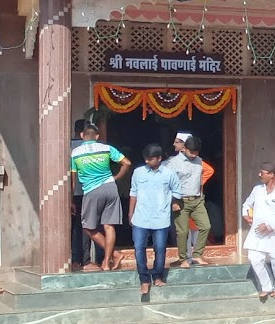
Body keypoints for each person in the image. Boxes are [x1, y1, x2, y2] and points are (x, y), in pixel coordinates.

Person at [71, 121, 131, 272]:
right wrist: (116, 177)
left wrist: (71, 198)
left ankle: (115, 255)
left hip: (92, 190)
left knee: (87, 227)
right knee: (109, 226)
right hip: (110, 188)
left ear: (81, 135)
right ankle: (106, 262)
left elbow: (73, 178)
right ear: (97, 136)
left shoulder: (76, 153)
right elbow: (127, 163)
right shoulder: (107, 148)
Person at [128, 143, 180, 298]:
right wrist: (130, 212)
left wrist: (173, 203)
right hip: (141, 217)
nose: (147, 162)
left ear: (159, 158)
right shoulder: (138, 172)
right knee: (139, 248)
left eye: (150, 159)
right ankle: (144, 278)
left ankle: (158, 276)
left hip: (161, 217)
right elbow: (133, 193)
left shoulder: (169, 174)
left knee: (160, 247)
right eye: (146, 159)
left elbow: (177, 191)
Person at [242, 163, 275, 300]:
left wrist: (271, 226)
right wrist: (246, 214)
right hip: (258, 231)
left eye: (263, 173)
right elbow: (247, 204)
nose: (260, 175)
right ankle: (266, 286)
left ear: (272, 175)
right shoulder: (257, 190)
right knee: (254, 258)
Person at [167, 134, 213, 268]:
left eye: (196, 152)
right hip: (181, 201)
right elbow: (167, 183)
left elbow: (201, 177)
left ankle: (197, 254)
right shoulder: (173, 163)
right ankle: (183, 259)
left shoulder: (199, 160)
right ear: (184, 149)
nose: (193, 155)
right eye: (191, 152)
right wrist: (173, 201)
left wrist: (201, 195)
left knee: (206, 226)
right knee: (182, 232)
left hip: (197, 200)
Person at [70, 120, 97, 271]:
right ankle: (85, 260)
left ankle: (76, 260)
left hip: (76, 193)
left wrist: (70, 197)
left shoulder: (69, 146)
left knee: (76, 228)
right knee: (87, 227)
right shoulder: (89, 148)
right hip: (87, 192)